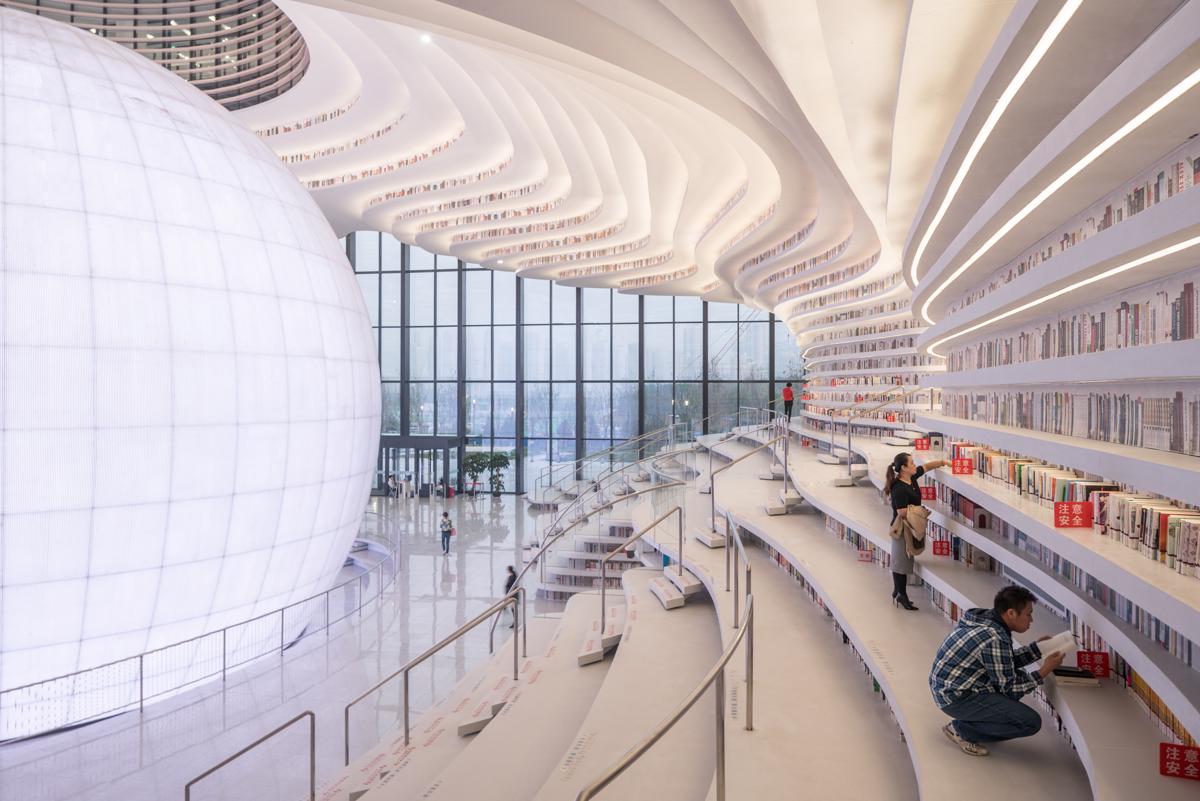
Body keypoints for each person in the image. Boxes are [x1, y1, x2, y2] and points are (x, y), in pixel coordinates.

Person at [930, 585, 1064, 757]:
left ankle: (965, 725)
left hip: (949, 688)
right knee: (1030, 723)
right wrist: (1044, 671)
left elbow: (1002, 661)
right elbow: (1011, 691)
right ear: (1010, 613)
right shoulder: (994, 637)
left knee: (1020, 677)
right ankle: (962, 730)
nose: (1031, 620)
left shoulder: (986, 621)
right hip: (956, 697)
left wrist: (1037, 649)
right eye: (1028, 614)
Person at [884, 451, 948, 609]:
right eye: (912, 463)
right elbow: (902, 512)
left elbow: (926, 467)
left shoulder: (911, 477)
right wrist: (922, 512)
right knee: (901, 563)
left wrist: (943, 462)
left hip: (910, 525)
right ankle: (902, 595)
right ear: (904, 468)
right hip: (901, 528)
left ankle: (896, 591)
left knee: (902, 560)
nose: (915, 465)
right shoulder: (899, 488)